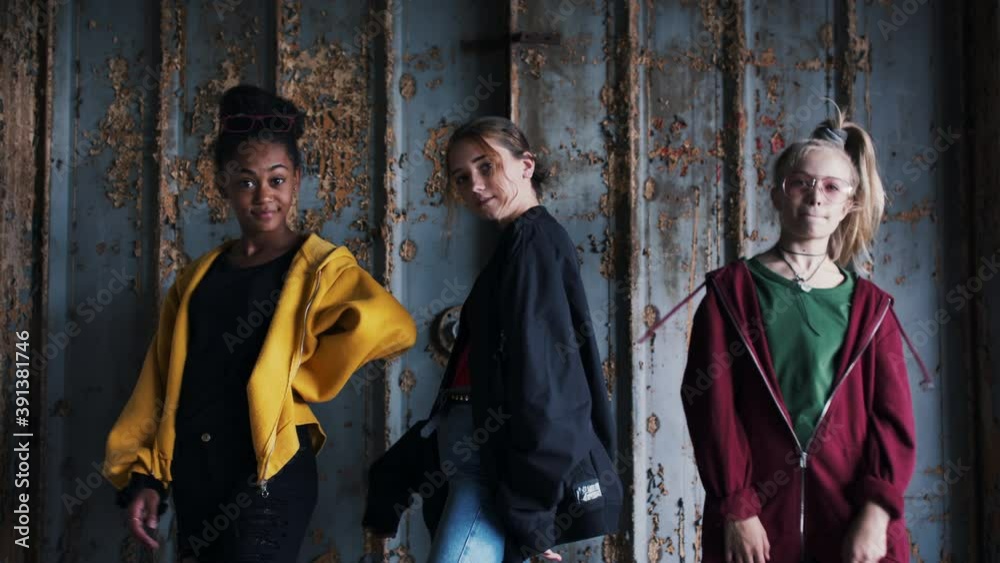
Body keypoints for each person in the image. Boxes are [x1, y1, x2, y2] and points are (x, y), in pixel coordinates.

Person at [102, 84, 417, 563]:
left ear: (296, 179)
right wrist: (146, 477)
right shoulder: (198, 277)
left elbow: (391, 325)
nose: (263, 195)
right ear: (222, 183)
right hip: (196, 473)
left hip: (268, 473)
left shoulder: (317, 266)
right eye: (246, 181)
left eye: (276, 179)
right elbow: (162, 382)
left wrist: (296, 376)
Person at [363, 117, 623, 563]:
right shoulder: (517, 244)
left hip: (489, 469)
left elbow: (547, 385)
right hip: (474, 461)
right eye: (462, 178)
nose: (476, 186)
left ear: (526, 165)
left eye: (487, 167)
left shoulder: (533, 244)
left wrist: (532, 517)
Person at [679, 108, 924, 563]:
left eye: (831, 188)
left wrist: (876, 514)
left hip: (851, 520)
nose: (815, 198)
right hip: (757, 521)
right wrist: (737, 509)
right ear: (776, 194)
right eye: (800, 183)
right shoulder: (733, 294)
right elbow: (712, 407)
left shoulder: (871, 308)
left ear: (849, 204)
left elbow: (892, 421)